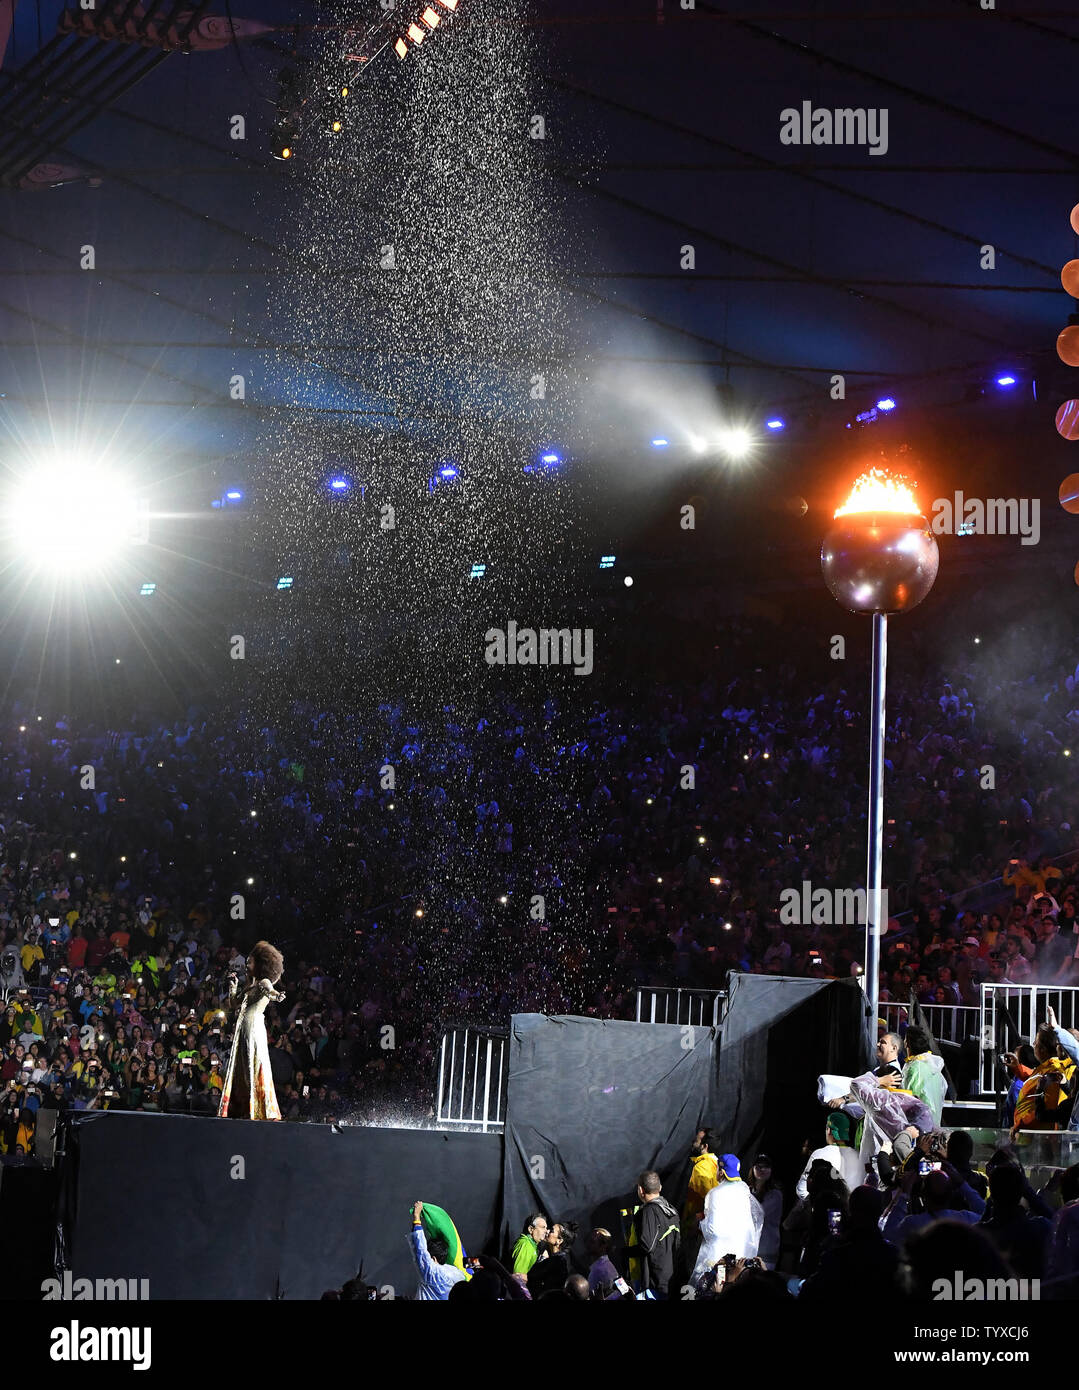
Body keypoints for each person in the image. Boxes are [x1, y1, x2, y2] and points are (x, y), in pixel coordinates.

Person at [218, 941, 286, 1120]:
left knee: (251, 1063)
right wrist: (232, 987)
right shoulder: (250, 985)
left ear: (260, 964)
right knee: (242, 1064)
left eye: (250, 962)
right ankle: (243, 1107)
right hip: (243, 1027)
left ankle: (254, 1108)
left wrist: (277, 996)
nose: (247, 965)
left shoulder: (263, 982)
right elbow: (233, 1004)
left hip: (253, 1027)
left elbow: (270, 991)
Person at [692, 1155, 764, 1281]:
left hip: (719, 1257)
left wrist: (700, 1223)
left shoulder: (716, 1193)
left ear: (722, 1171)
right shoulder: (743, 1189)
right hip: (740, 1255)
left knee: (713, 1288)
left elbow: (713, 1231)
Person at [634, 1170, 681, 1298]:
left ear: (640, 1190)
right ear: (660, 1187)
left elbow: (647, 1246)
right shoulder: (671, 1209)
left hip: (654, 1283)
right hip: (671, 1277)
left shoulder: (649, 1212)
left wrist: (626, 1252)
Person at [409, 1201, 468, 1300]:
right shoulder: (458, 1274)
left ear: (433, 1258)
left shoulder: (431, 1272)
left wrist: (416, 1217)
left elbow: (420, 1248)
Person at [796, 1113, 863, 1199]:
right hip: (853, 1209)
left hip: (825, 1209)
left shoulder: (819, 1154)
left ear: (829, 1130)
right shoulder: (859, 1156)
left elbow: (801, 1190)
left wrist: (817, 1202)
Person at [900, 1026, 946, 1126]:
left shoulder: (915, 1067)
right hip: (932, 1123)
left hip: (919, 1125)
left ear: (907, 1043)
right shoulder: (931, 1065)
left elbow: (909, 1100)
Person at [746, 1154, 783, 1269]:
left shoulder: (775, 1194)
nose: (762, 1170)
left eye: (766, 1167)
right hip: (748, 1248)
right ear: (752, 1169)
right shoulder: (747, 1190)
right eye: (758, 1166)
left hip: (766, 1250)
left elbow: (759, 1213)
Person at [510, 1213, 548, 1279]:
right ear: (530, 1229)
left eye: (546, 1228)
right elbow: (518, 1277)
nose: (546, 1231)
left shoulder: (533, 1245)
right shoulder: (525, 1245)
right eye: (543, 1227)